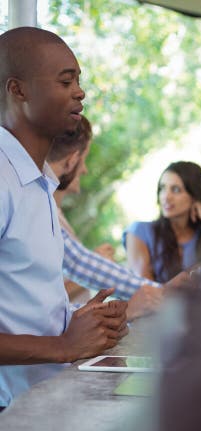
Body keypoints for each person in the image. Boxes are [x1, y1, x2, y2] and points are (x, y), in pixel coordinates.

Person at [0, 27, 127, 407]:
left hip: (39, 408)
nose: (80, 92)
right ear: (18, 90)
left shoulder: (38, 182)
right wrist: (63, 344)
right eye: (65, 80)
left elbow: (22, 303)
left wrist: (79, 321)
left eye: (79, 80)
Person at [47, 114, 164, 318]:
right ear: (72, 159)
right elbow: (78, 266)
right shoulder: (41, 206)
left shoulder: (47, 207)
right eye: (83, 160)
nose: (84, 169)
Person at [124, 161, 201, 283]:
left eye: (176, 190)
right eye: (162, 188)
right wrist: (186, 277)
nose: (166, 197)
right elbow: (144, 290)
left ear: (194, 196)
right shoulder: (139, 231)